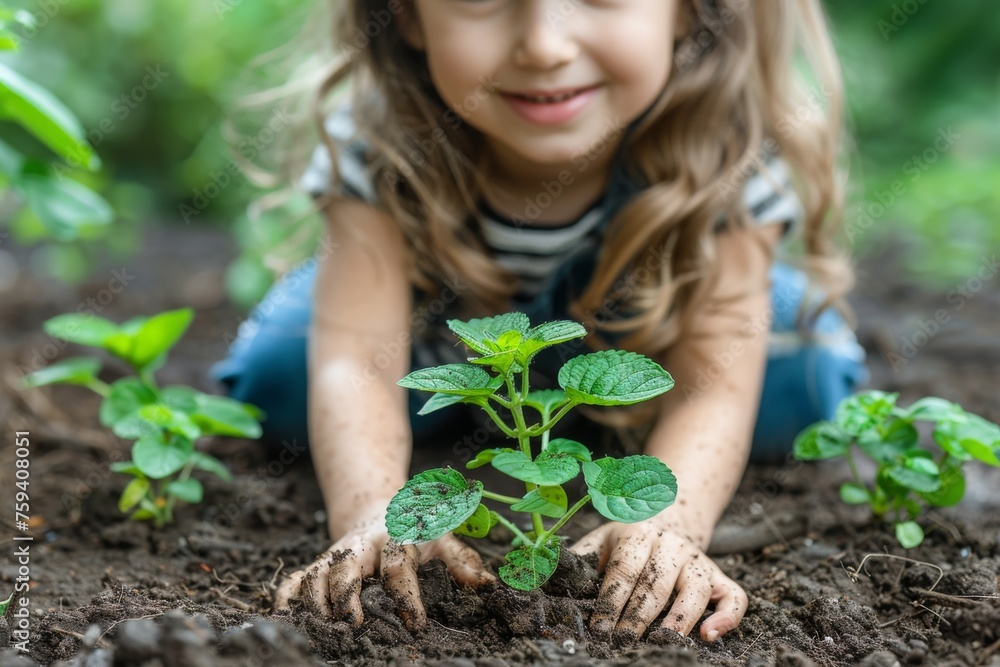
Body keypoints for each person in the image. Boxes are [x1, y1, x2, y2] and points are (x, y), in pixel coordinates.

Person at [211, 0, 868, 644]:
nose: (544, 44)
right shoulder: (383, 139)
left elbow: (713, 384)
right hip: (432, 336)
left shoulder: (726, 143)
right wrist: (375, 510)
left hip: (663, 329)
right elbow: (357, 360)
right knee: (286, 376)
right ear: (405, 14)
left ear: (688, 12)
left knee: (802, 381)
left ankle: (593, 418)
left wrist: (670, 522)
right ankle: (518, 418)